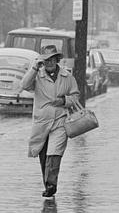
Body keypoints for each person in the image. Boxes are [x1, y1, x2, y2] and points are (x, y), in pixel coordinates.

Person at [19, 44, 80, 200]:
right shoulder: (37, 76)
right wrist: (34, 68)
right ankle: (48, 183)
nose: (49, 63)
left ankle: (51, 185)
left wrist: (64, 101)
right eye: (45, 60)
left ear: (57, 60)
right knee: (44, 154)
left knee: (55, 153)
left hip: (60, 120)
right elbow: (24, 85)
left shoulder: (67, 76)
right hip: (42, 121)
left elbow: (75, 96)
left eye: (52, 60)